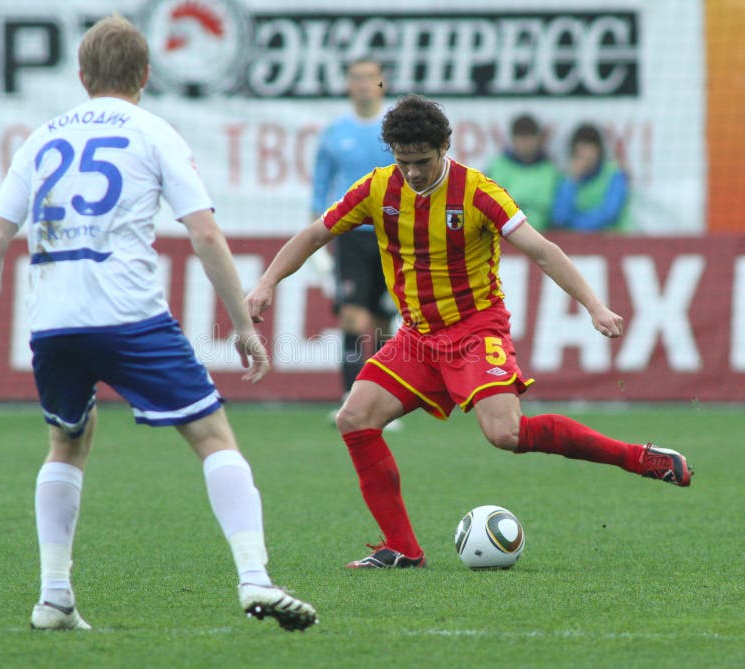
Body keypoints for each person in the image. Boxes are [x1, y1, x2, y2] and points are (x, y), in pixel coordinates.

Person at [0, 15, 317, 630]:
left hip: (52, 323)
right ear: (146, 75)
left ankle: (53, 596)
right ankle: (254, 578)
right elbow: (203, 231)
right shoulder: (155, 131)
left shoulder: (40, 138)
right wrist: (244, 325)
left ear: (81, 76)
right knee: (212, 437)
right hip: (128, 315)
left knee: (66, 442)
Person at [246, 95, 692, 570]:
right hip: (417, 338)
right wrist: (267, 281)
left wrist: (595, 306)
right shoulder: (378, 188)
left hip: (476, 331)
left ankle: (637, 457)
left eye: (422, 161)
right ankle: (402, 549)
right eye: (403, 161)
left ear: (444, 147)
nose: (412, 172)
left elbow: (542, 251)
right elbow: (315, 234)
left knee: (506, 434)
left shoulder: (478, 192)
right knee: (354, 418)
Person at [311, 58, 399, 426]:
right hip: (350, 236)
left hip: (392, 234)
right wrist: (316, 243)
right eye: (356, 78)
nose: (363, 84)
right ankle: (349, 397)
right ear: (348, 84)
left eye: (369, 77)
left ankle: (381, 404)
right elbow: (320, 189)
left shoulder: (396, 127)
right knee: (351, 315)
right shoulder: (335, 133)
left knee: (383, 320)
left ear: (381, 82)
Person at [485, 114, 560, 232]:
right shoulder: (499, 166)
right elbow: (491, 204)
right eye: (521, 138)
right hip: (504, 234)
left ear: (538, 139)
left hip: (542, 234)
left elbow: (553, 209)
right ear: (513, 140)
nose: (525, 143)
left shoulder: (550, 170)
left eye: (529, 138)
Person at [551, 123, 630, 232]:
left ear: (598, 150)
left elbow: (610, 214)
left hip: (610, 240)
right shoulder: (567, 180)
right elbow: (559, 218)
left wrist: (576, 225)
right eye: (579, 152)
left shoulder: (614, 175)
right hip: (575, 242)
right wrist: (571, 180)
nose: (584, 156)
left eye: (588, 150)